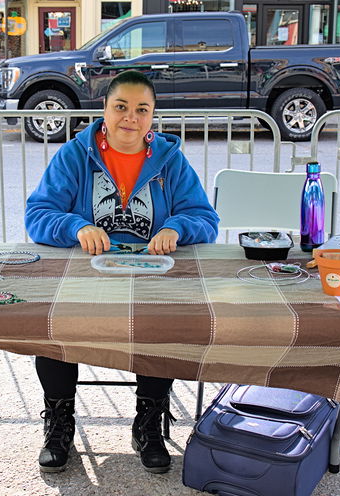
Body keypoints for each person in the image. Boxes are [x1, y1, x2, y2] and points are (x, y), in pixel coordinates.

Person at [24, 70, 219, 474]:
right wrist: (75, 226)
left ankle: (148, 421)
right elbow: (38, 215)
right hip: (84, 278)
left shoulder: (170, 160)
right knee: (52, 321)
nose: (130, 117)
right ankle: (60, 420)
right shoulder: (75, 155)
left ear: (152, 117)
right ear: (104, 110)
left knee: (162, 322)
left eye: (141, 109)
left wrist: (175, 227)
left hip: (152, 277)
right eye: (121, 107)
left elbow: (206, 218)